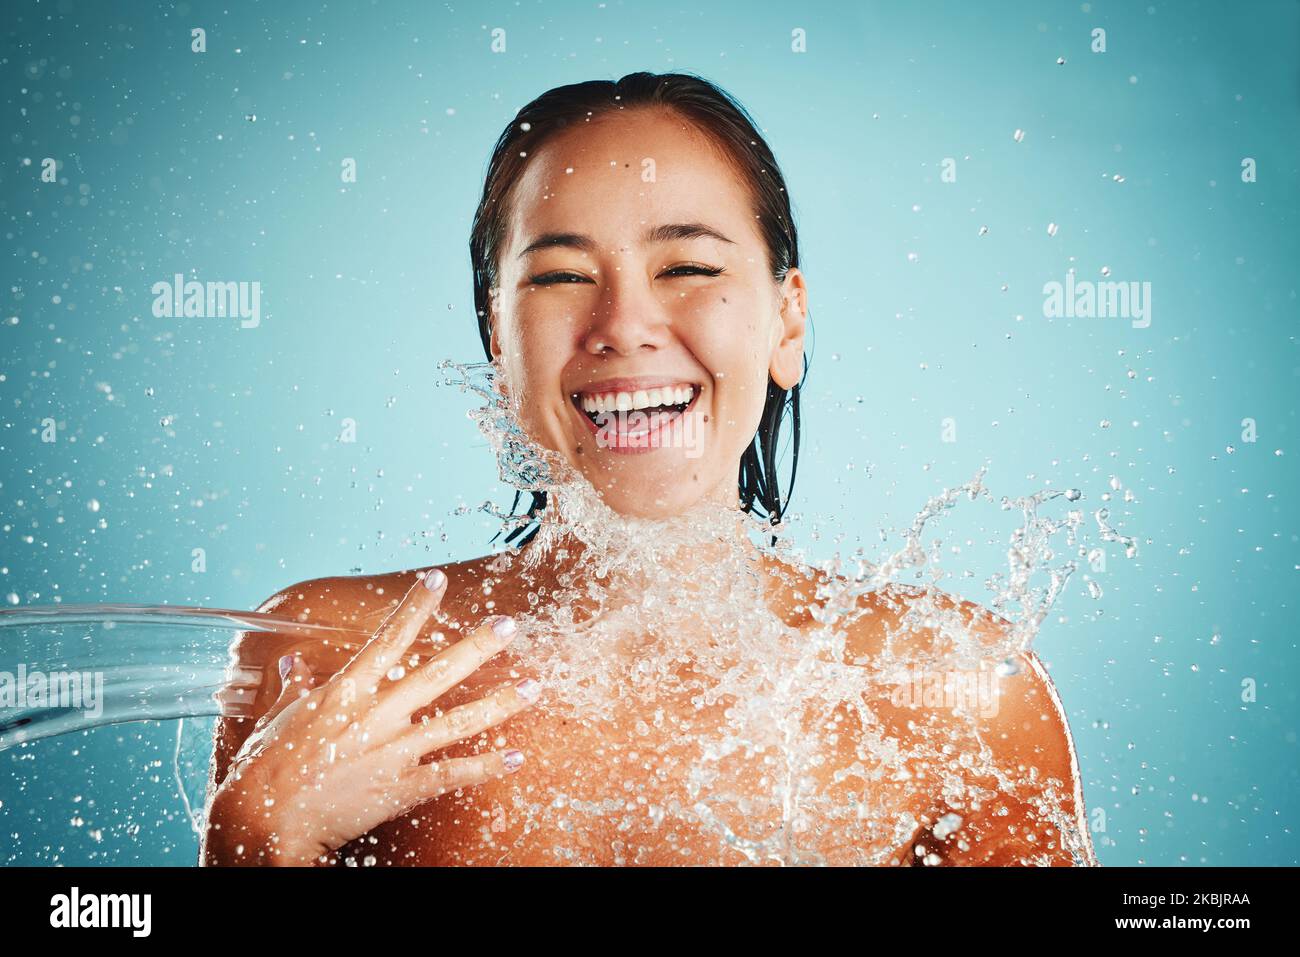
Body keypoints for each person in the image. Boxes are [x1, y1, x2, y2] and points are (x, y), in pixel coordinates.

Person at [201, 71, 1096, 867]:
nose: (624, 324)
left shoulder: (955, 690)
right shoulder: (330, 656)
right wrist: (254, 846)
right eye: (559, 278)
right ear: (496, 337)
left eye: (689, 265)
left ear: (787, 322)